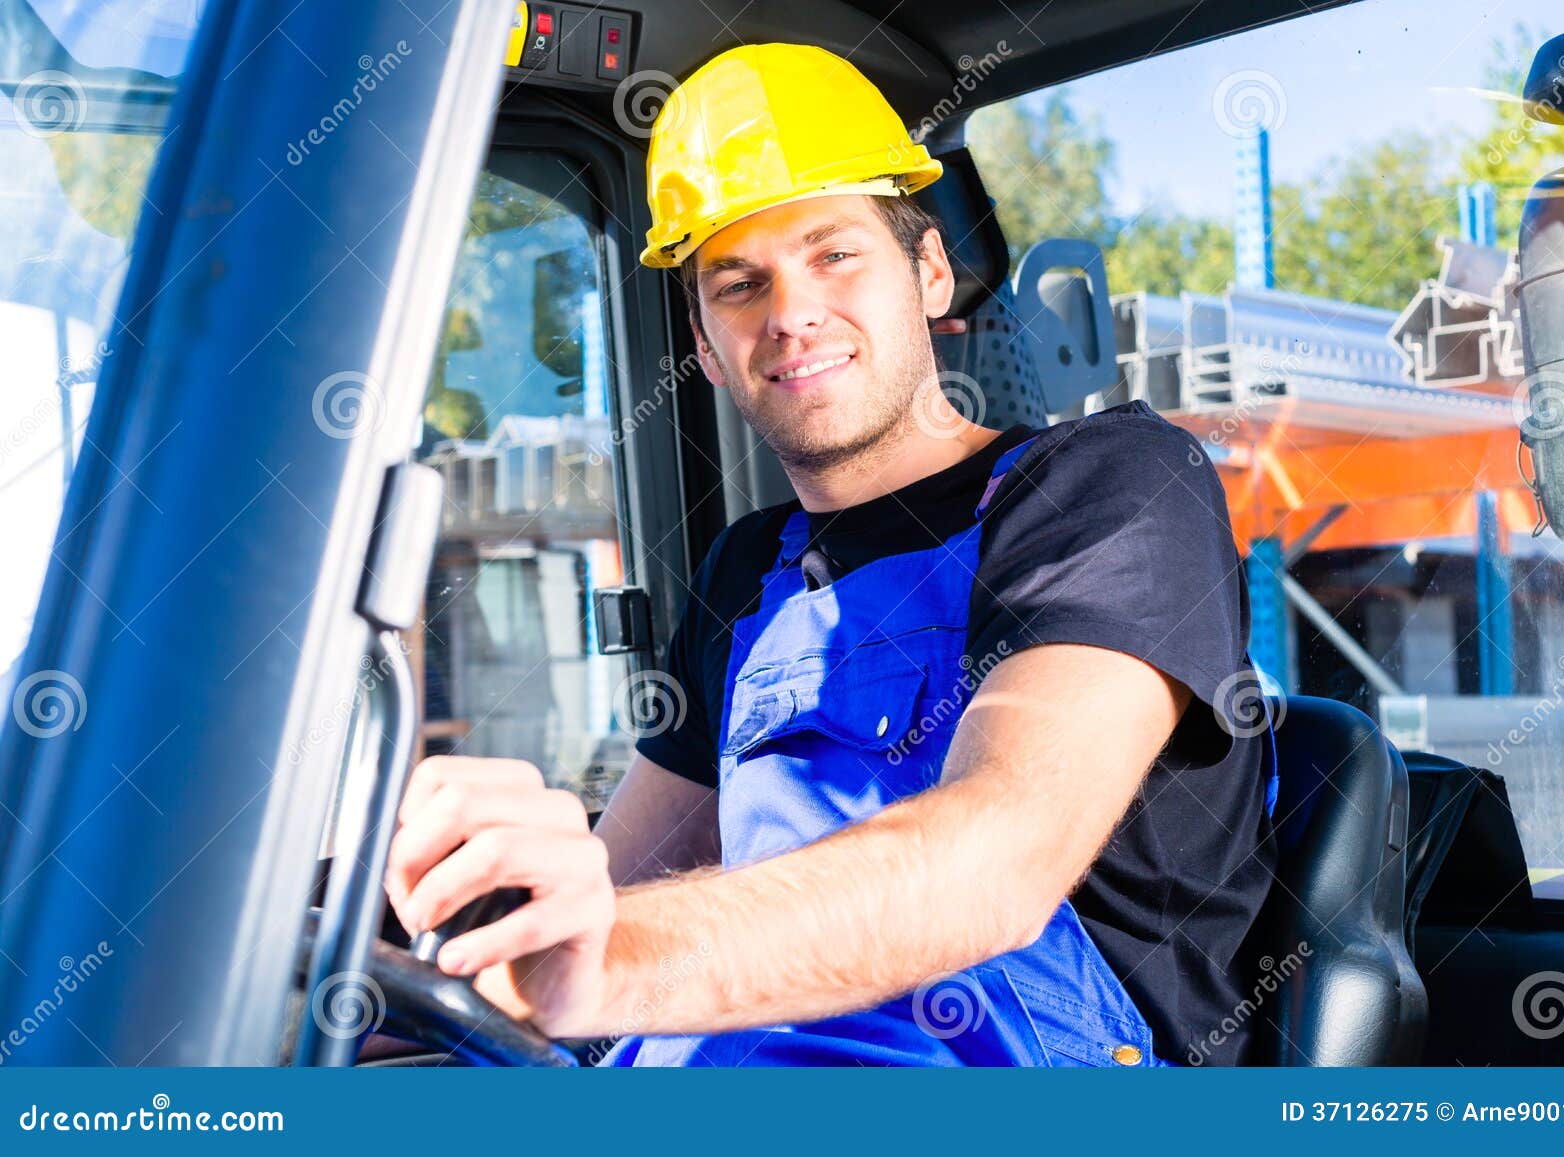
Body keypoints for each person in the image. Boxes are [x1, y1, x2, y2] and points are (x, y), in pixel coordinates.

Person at [384, 42, 1278, 1067]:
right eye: (738, 282)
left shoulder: (1105, 485)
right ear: (707, 346)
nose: (791, 313)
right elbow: (616, 882)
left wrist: (608, 958)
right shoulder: (745, 571)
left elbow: (998, 857)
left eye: (834, 252)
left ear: (929, 269)